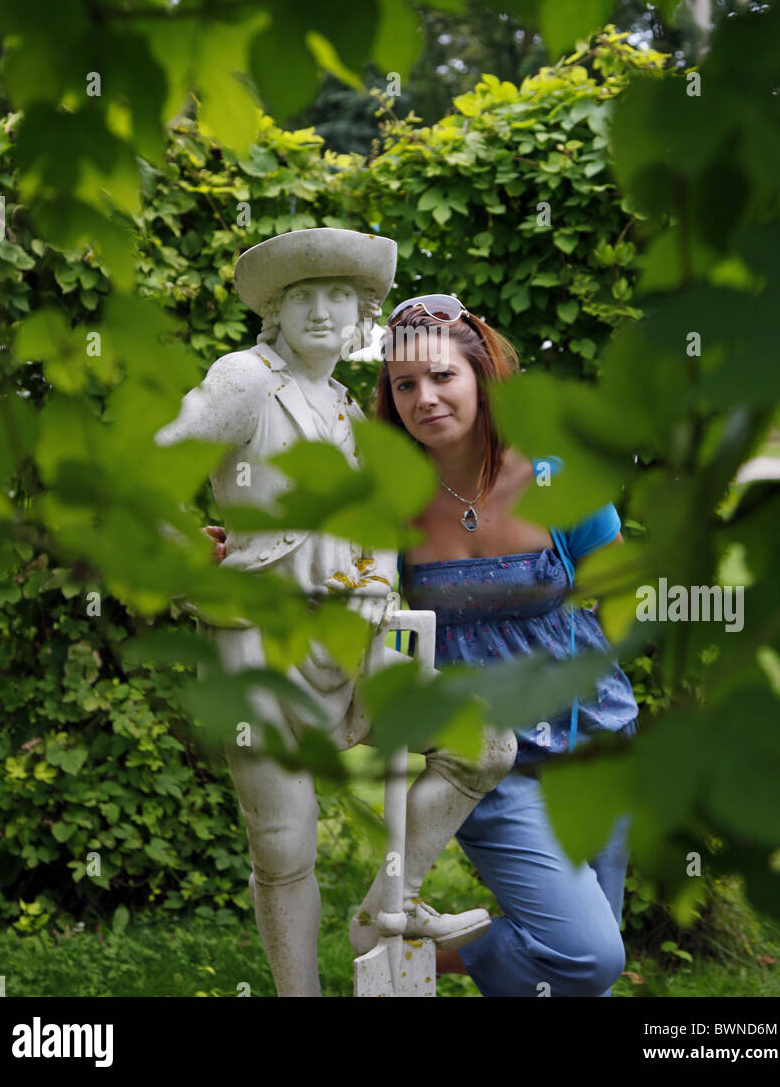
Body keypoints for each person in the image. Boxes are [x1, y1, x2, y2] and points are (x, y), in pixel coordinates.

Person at [161, 229, 516, 996]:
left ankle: (389, 904)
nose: (323, 313)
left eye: (340, 298)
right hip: (262, 642)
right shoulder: (245, 380)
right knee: (284, 846)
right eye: (304, 297)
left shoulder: (350, 404)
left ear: (361, 314)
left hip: (362, 637)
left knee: (482, 746)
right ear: (276, 313)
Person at [372, 293, 640, 998]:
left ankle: (411, 950)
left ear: (482, 378)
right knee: (588, 956)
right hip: (487, 759)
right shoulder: (387, 502)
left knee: (581, 977)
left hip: (594, 742)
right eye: (405, 385)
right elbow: (312, 564)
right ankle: (421, 955)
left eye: (442, 377)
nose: (424, 398)